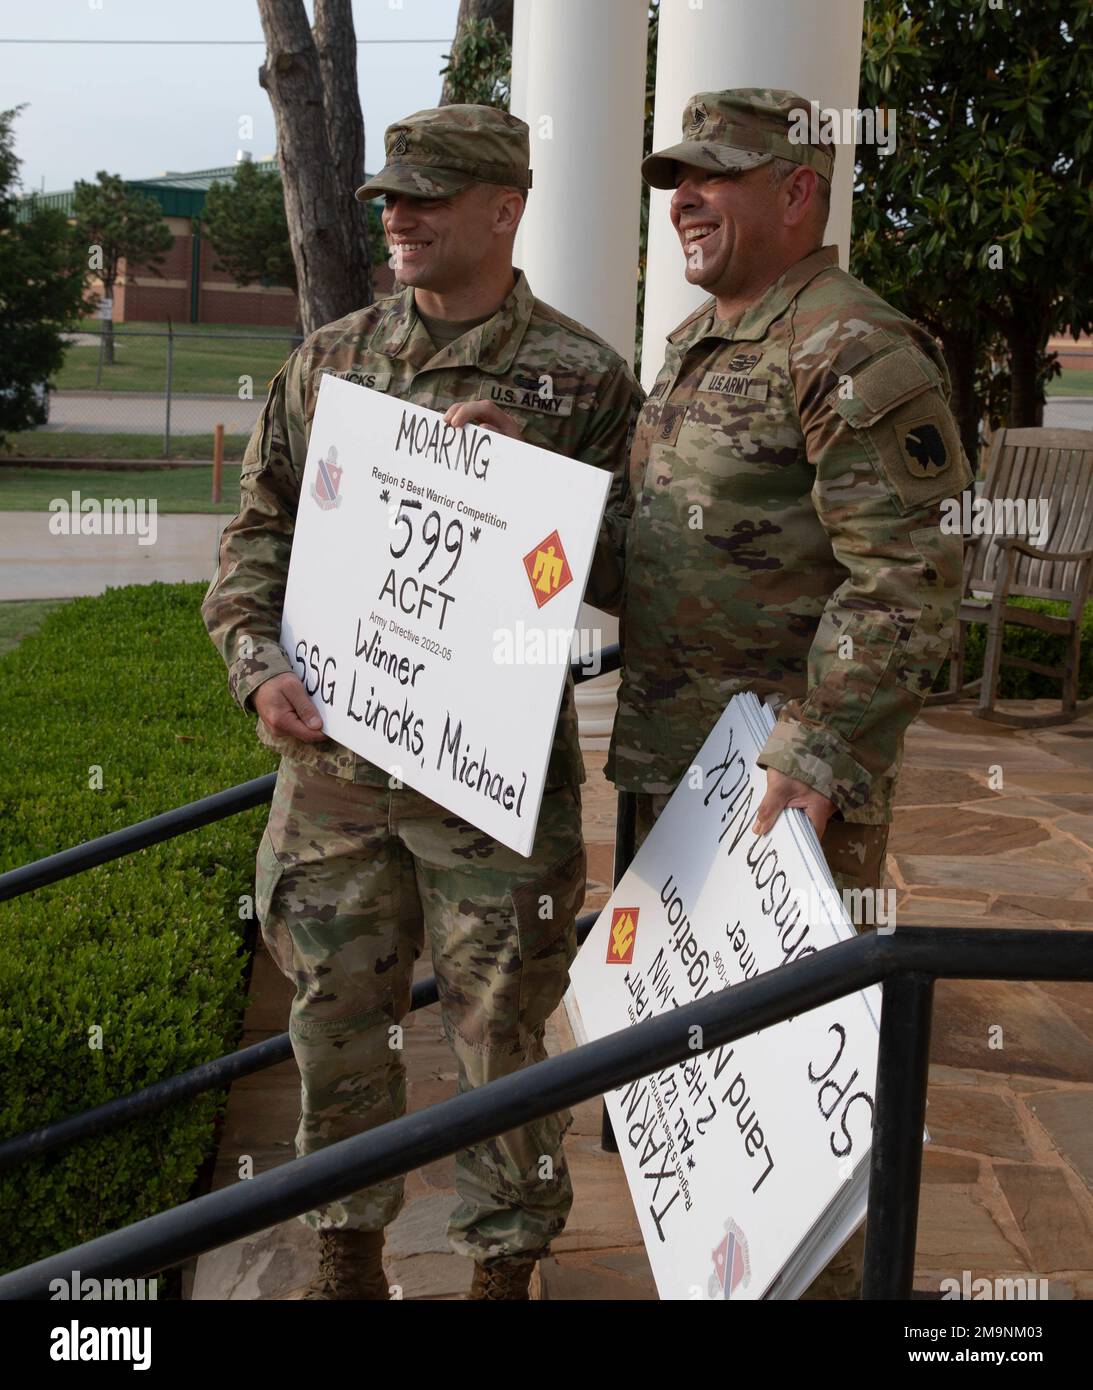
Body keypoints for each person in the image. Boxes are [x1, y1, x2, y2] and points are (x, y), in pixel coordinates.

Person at [201, 104, 643, 1301]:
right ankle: (345, 1256)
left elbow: (634, 578)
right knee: (337, 1022)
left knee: (502, 1033)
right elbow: (256, 542)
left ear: (505, 208)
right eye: (389, 196)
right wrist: (256, 660)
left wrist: (542, 489)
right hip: (338, 780)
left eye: (427, 195)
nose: (396, 215)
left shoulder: (585, 378)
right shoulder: (329, 362)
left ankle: (503, 1269)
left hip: (487, 786)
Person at [604, 88, 973, 1298]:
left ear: (798, 192)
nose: (684, 200)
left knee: (785, 1121)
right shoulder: (704, 341)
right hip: (671, 780)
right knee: (695, 1118)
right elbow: (657, 552)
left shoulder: (852, 347)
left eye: (712, 175)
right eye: (675, 181)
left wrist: (817, 754)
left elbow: (911, 572)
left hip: (777, 803)